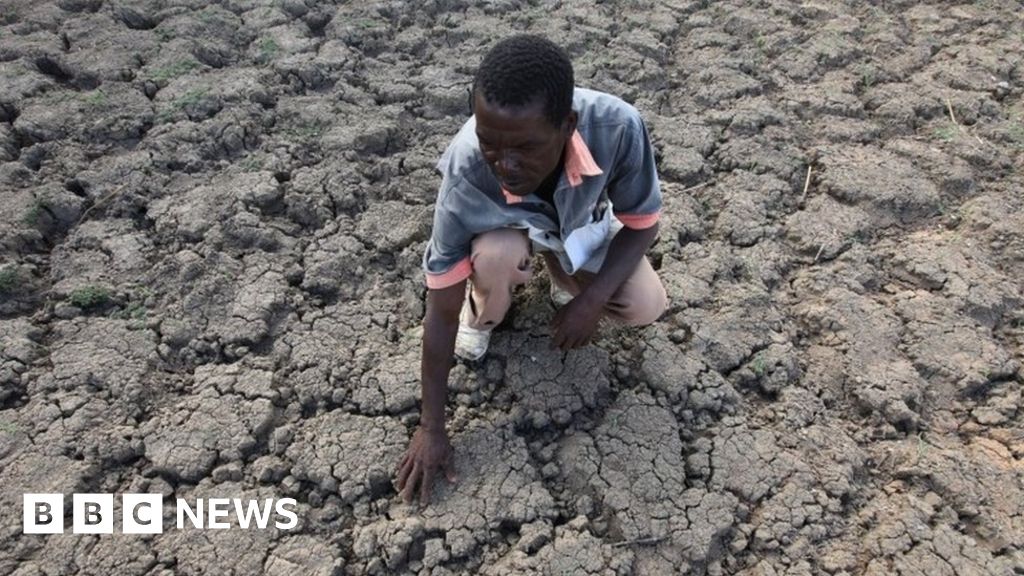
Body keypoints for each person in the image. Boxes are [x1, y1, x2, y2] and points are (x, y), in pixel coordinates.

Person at [395, 35, 667, 505]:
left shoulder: (617, 127)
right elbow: (438, 310)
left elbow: (643, 223)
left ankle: (565, 279)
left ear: (567, 125)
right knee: (496, 254)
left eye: (525, 147)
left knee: (646, 304)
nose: (506, 164)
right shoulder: (467, 175)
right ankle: (485, 313)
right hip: (506, 232)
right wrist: (431, 428)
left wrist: (592, 299)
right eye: (491, 145)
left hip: (577, 225)